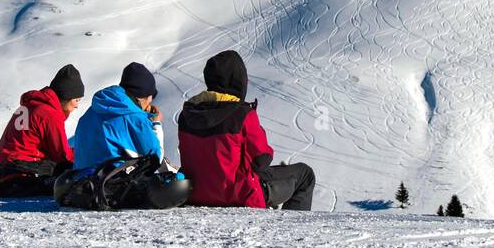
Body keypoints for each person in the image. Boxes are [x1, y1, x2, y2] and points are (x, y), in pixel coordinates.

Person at [177, 50, 314, 210]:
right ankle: (291, 231)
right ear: (238, 81)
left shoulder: (187, 114)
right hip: (238, 195)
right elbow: (262, 159)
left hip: (196, 194)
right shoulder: (242, 113)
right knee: (305, 175)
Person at [0, 64, 83, 198]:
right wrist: (85, 155)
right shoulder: (49, 114)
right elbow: (61, 155)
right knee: (67, 174)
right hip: (17, 171)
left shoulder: (31, 106)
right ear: (66, 96)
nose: (77, 105)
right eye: (76, 100)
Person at [73, 61, 166, 169]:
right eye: (149, 100)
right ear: (142, 97)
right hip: (109, 182)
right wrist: (156, 123)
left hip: (81, 180)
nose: (148, 106)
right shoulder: (134, 118)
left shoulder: (94, 109)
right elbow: (155, 158)